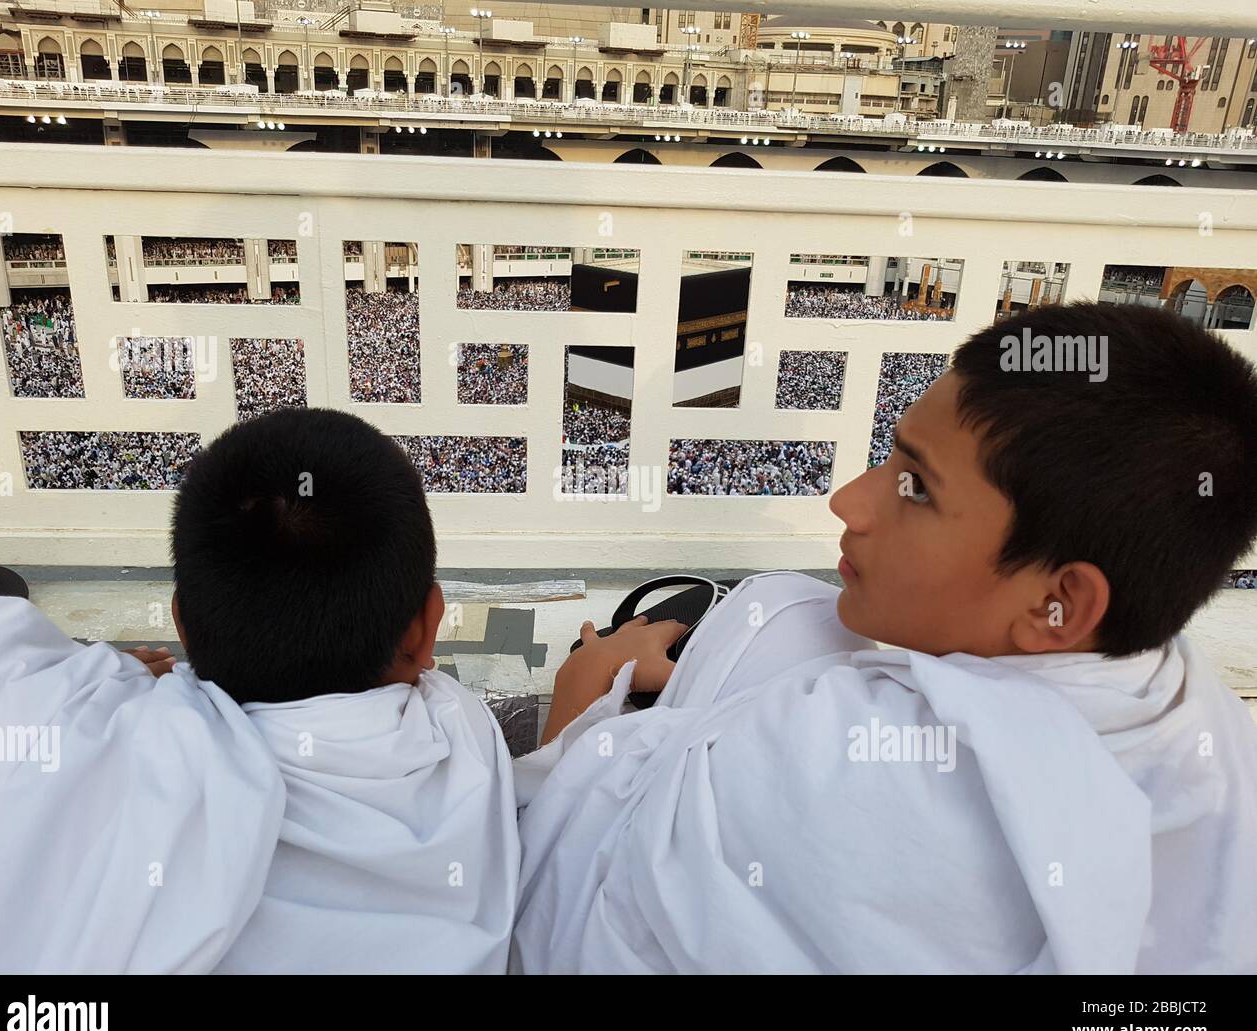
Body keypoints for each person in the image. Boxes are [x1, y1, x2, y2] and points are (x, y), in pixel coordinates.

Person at [510, 303, 1257, 974]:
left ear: (1059, 603)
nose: (850, 501)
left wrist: (577, 722)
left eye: (918, 487)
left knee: (781, 610)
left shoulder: (829, 758)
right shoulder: (1205, 728)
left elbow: (562, 914)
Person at [0, 408, 519, 974]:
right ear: (428, 625)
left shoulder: (54, 729)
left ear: (180, 623)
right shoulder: (463, 730)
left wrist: (98, 676)